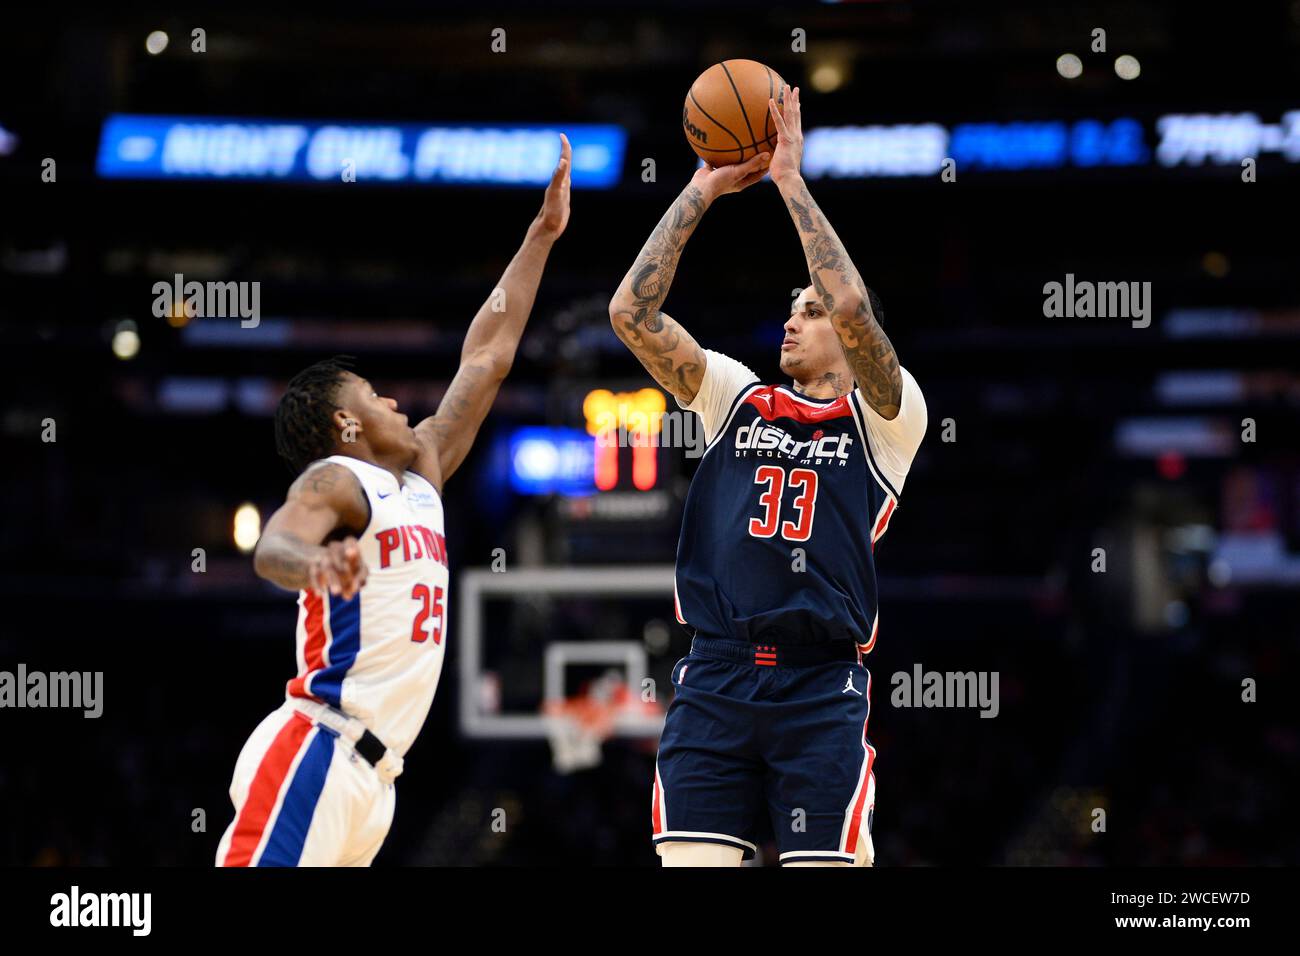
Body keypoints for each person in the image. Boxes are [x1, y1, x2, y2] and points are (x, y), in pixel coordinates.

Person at [215, 136, 572, 867]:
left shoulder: (423, 474)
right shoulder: (337, 482)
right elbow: (274, 547)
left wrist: (541, 236)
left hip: (377, 782)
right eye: (372, 395)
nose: (392, 397)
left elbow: (488, 355)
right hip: (318, 744)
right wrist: (316, 566)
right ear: (346, 426)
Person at [608, 88, 927, 866]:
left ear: (851, 340)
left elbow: (852, 301)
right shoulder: (734, 397)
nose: (794, 317)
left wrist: (789, 181)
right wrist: (703, 187)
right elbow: (632, 315)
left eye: (810, 311)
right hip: (714, 676)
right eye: (793, 306)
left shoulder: (889, 416)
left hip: (820, 690)